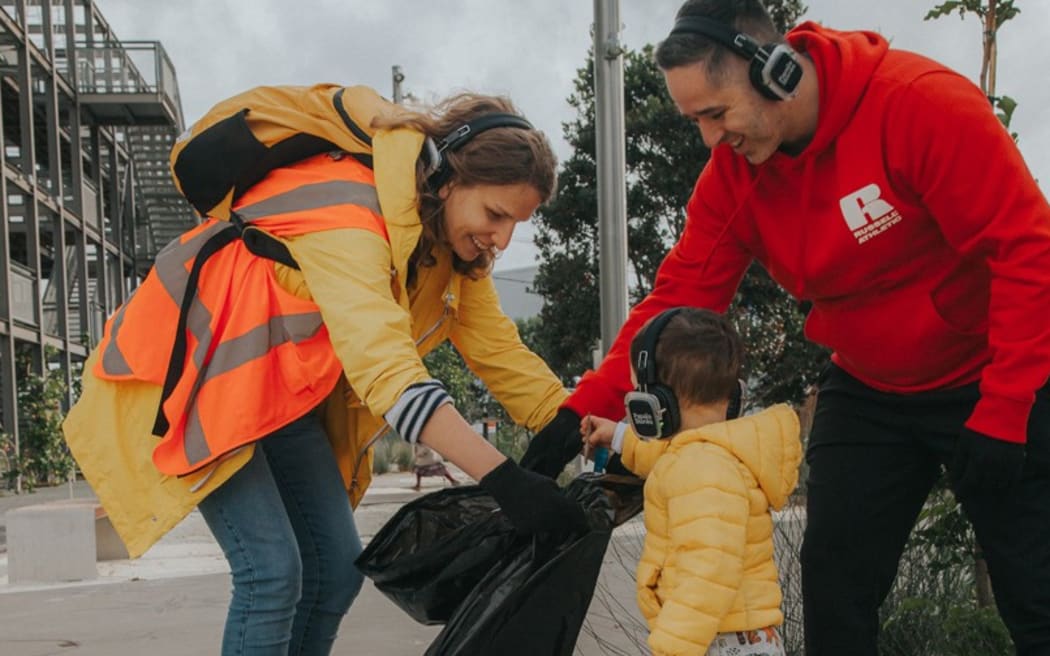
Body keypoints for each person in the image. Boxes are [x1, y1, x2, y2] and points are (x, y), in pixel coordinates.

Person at [520, 1, 1050, 654]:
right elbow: (677, 299)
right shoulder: (733, 179)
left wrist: (1004, 410)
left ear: (775, 71)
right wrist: (569, 423)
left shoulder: (919, 105)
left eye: (716, 113)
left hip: (993, 374)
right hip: (869, 389)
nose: (711, 140)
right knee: (834, 584)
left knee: (1035, 591)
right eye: (696, 123)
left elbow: (1027, 252)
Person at [62, 85, 587, 655]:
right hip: (200, 380)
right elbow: (387, 370)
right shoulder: (349, 211)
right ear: (449, 176)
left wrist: (588, 427)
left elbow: (504, 358)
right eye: (495, 213)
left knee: (336, 569)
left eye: (517, 224)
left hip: (280, 398)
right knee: (271, 573)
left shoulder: (446, 254)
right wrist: (505, 481)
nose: (502, 238)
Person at [583, 307, 801, 656]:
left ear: (657, 401)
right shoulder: (707, 454)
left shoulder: (701, 467)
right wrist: (619, 437)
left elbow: (708, 572)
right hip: (732, 637)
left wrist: (672, 648)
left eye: (640, 389)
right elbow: (669, 456)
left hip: (717, 640)